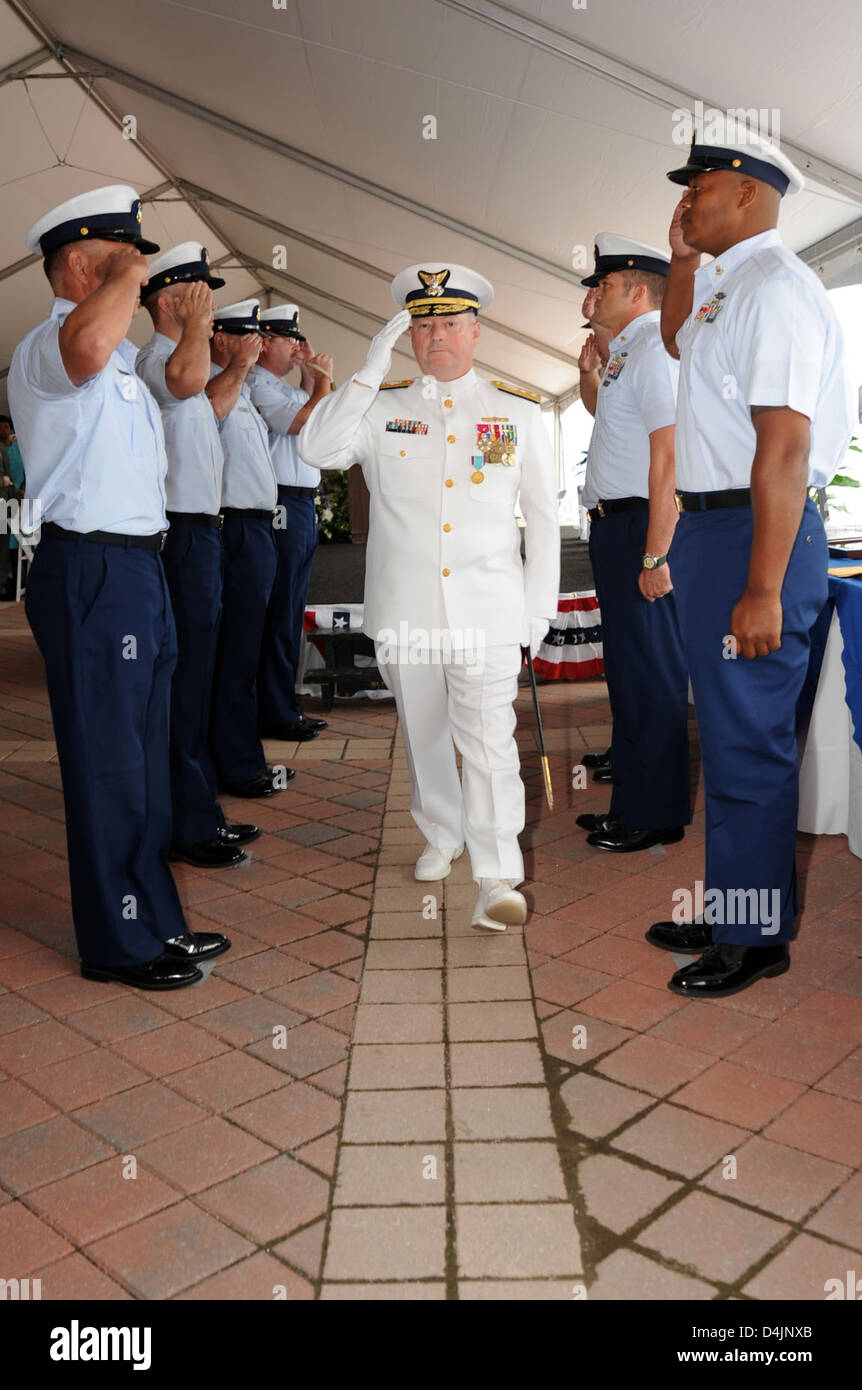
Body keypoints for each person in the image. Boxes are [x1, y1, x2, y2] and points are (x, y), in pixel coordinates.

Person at [648, 131, 855, 997]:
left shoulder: (776, 290)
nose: (685, 204)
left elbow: (785, 448)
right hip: (710, 533)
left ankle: (753, 936)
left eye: (697, 189)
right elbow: (672, 345)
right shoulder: (725, 288)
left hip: (753, 535)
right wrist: (681, 260)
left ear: (745, 191)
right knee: (729, 736)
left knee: (748, 744)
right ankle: (737, 900)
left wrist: (763, 587)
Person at [8, 185, 229, 989]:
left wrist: (185, 318)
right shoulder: (50, 346)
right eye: (120, 263)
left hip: (139, 565)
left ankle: (158, 921)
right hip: (90, 567)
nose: (139, 279)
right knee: (107, 761)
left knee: (141, 756)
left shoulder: (124, 366)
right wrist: (131, 276)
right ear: (76, 267)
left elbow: (182, 383)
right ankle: (116, 941)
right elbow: (89, 345)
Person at [299, 263, 560, 931]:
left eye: (449, 322)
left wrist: (537, 613)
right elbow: (316, 450)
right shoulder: (380, 406)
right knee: (424, 733)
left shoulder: (518, 411)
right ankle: (443, 832)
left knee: (491, 741)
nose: (435, 335)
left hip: (491, 610)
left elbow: (543, 520)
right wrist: (364, 371)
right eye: (421, 324)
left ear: (476, 331)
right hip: (407, 610)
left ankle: (498, 874)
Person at [136, 242, 258, 868]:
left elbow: (207, 404)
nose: (208, 304)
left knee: (201, 677)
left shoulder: (180, 360)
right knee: (185, 684)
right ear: (167, 299)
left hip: (201, 534)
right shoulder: (156, 358)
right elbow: (189, 382)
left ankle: (201, 807)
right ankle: (187, 823)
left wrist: (225, 354)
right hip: (179, 536)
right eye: (199, 292)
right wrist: (197, 328)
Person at [574, 235, 690, 853]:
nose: (593, 295)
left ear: (639, 291)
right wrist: (589, 376)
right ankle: (634, 803)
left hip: (643, 524)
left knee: (652, 673)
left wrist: (656, 552)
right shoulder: (627, 352)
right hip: (616, 525)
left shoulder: (655, 351)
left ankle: (655, 812)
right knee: (628, 671)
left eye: (605, 285)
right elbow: (615, 430)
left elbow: (667, 455)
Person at [208, 299, 292, 798]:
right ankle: (235, 765)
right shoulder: (215, 384)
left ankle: (242, 757)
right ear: (222, 340)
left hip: (256, 527)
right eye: (248, 337)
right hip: (233, 527)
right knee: (234, 653)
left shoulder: (238, 391)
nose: (257, 346)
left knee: (246, 649)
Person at [249, 304, 333, 741]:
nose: (299, 348)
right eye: (291, 340)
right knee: (280, 611)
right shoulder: (258, 385)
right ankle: (275, 710)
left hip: (299, 502)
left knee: (290, 610)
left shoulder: (280, 387)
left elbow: (308, 410)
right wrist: (322, 381)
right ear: (265, 343)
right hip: (281, 503)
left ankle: (284, 702)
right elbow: (300, 422)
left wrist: (310, 377)